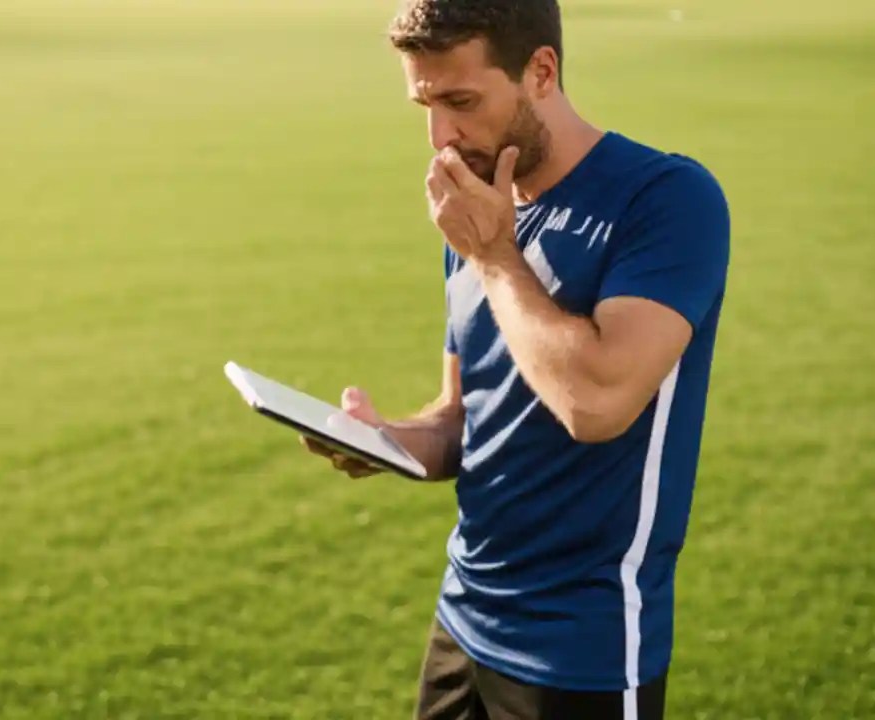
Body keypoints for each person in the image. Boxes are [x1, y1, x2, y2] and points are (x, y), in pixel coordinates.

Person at [301, 1, 730, 718]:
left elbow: (594, 405)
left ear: (541, 71)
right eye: (425, 104)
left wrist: (494, 254)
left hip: (583, 652)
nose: (441, 136)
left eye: (462, 101)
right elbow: (462, 420)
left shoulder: (664, 200)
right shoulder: (477, 212)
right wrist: (387, 443)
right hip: (462, 622)